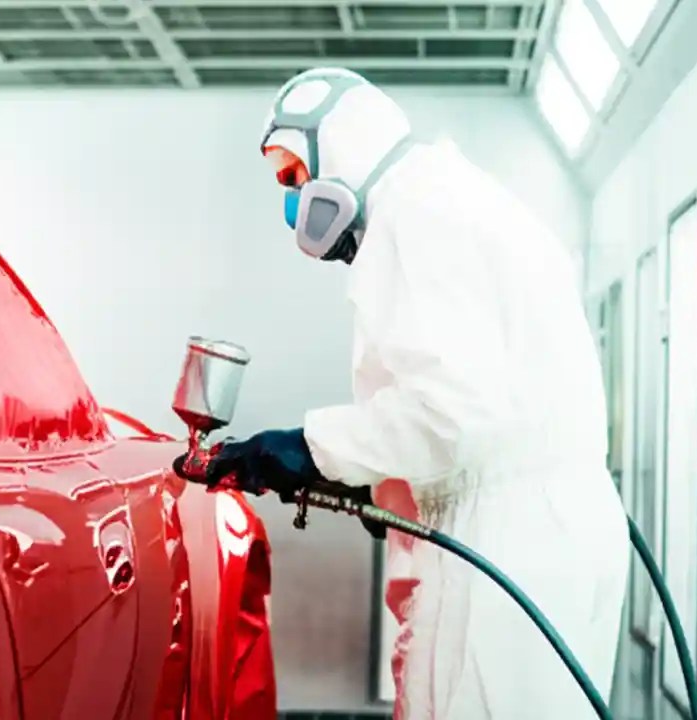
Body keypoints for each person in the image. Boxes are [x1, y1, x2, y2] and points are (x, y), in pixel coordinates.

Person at [175, 68, 630, 719]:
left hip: (509, 540)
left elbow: (448, 413)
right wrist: (369, 484)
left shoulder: (420, 214)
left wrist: (307, 448)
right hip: (536, 529)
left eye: (294, 177)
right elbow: (473, 407)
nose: (292, 203)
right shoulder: (437, 198)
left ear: (340, 151)